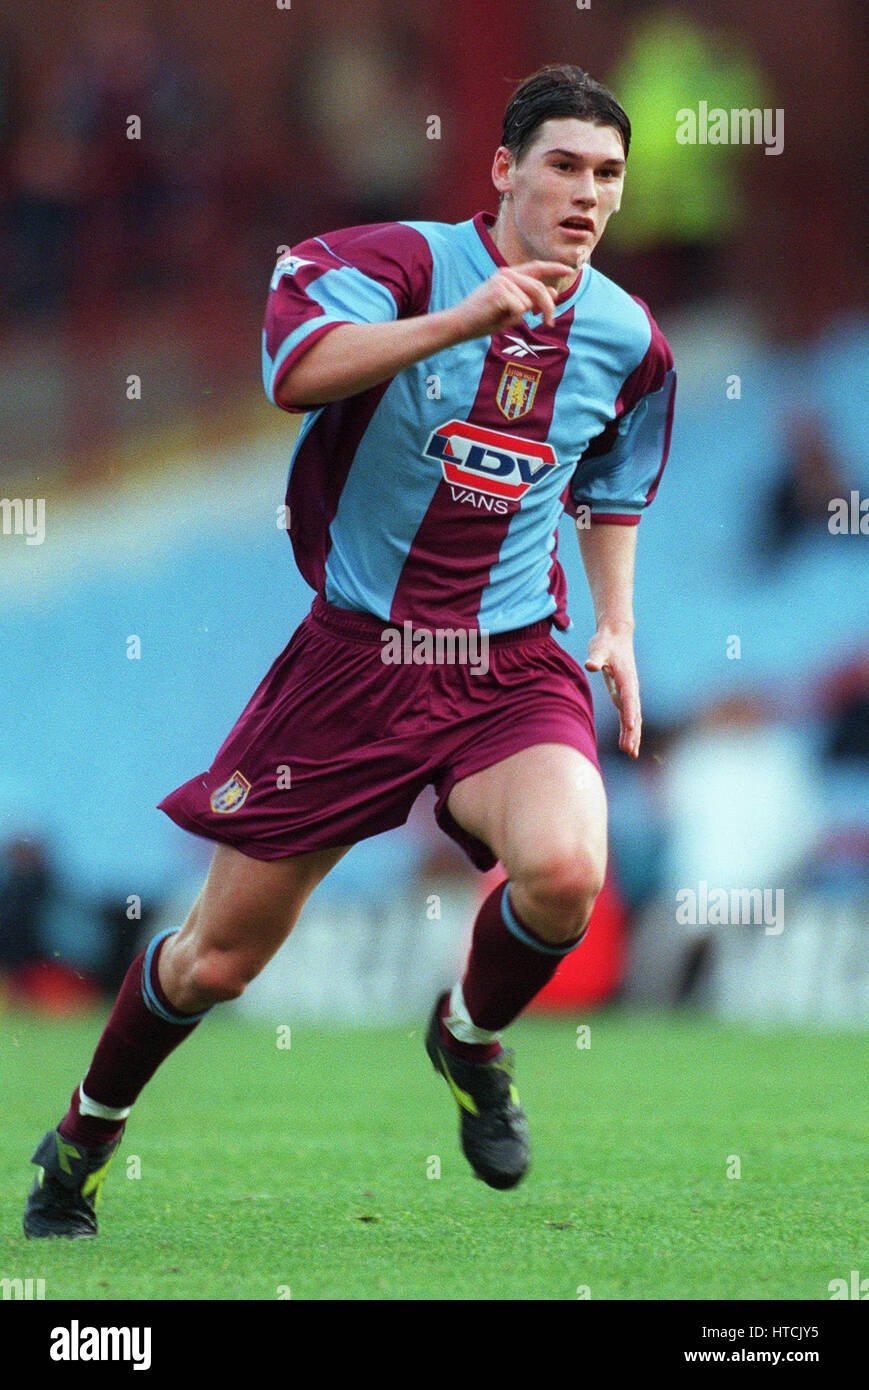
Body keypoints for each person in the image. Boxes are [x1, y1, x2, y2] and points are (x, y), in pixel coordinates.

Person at [23, 63, 675, 1237]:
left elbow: (615, 480)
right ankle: (81, 1140)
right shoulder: (392, 264)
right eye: (564, 167)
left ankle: (466, 1041)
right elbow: (293, 373)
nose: (586, 195)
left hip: (507, 661)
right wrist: (464, 320)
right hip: (358, 662)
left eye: (608, 176)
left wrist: (615, 621)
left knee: (569, 868)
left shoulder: (626, 337)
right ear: (504, 171)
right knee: (216, 963)